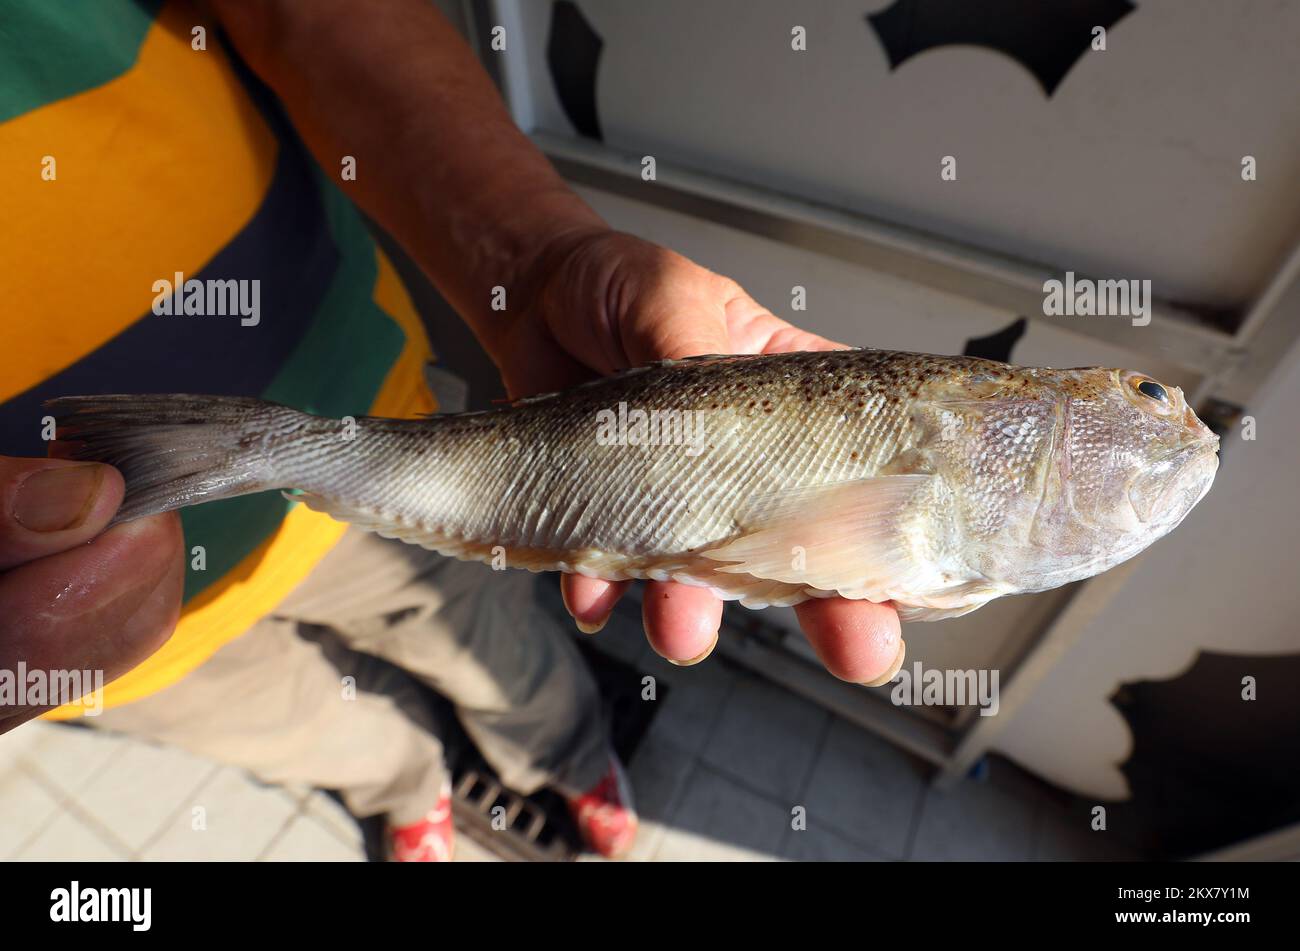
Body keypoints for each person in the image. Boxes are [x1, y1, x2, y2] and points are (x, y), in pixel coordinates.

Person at [0, 0, 904, 860]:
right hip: (84, 626)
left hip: (353, 397)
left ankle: (568, 755)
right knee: (289, 723)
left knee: (489, 642)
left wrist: (539, 255)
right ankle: (405, 787)